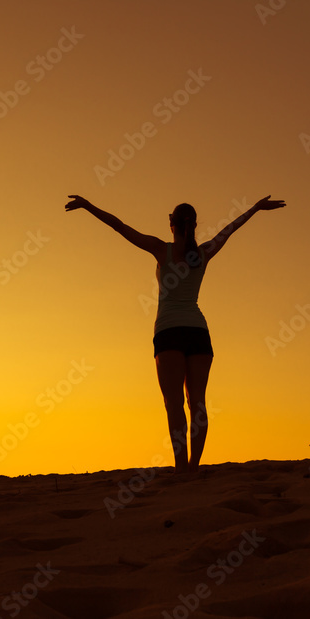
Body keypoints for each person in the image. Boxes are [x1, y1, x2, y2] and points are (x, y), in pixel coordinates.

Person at [65, 194, 286, 473]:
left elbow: (119, 226)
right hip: (198, 331)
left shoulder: (162, 250)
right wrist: (254, 208)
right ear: (192, 225)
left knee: (174, 404)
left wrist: (88, 206)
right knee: (198, 403)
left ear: (172, 223)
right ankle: (193, 466)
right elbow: (230, 229)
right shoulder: (203, 253)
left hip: (169, 331)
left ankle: (181, 467)